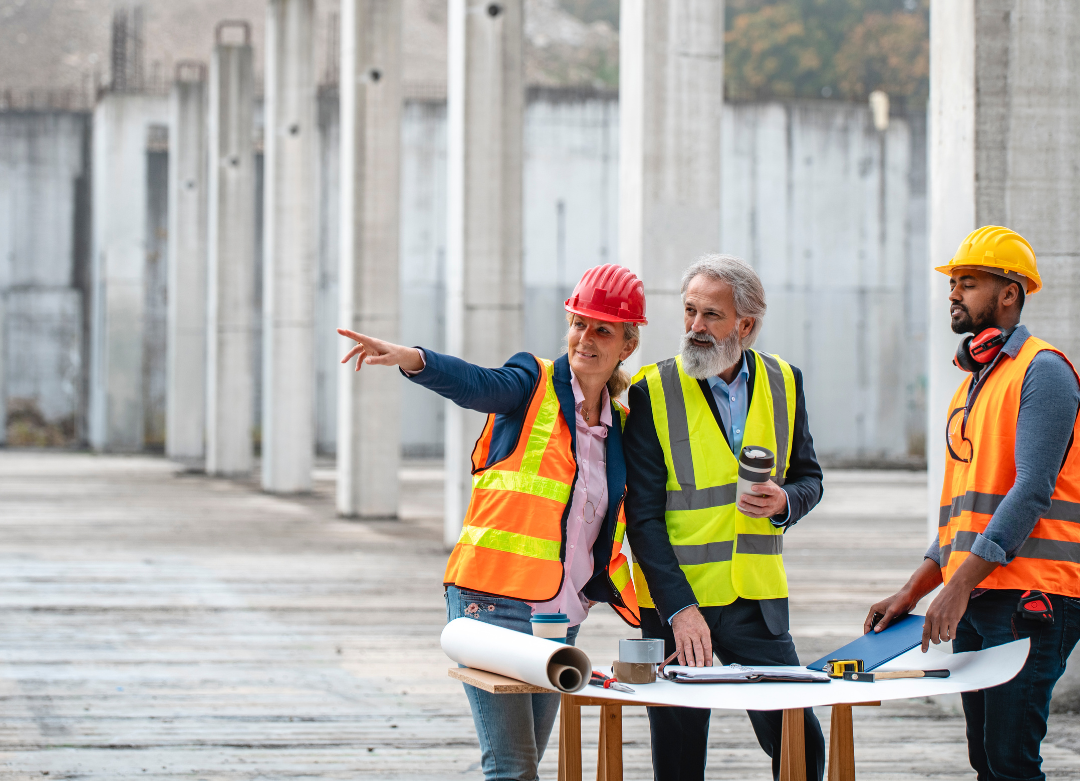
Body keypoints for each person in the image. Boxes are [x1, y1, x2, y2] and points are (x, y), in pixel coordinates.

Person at [338, 263, 647, 781]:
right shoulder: (532, 384)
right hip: (492, 601)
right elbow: (478, 384)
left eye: (603, 330)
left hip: (561, 614)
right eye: (579, 323)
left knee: (528, 761)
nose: (586, 338)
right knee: (512, 767)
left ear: (627, 345)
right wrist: (415, 360)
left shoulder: (622, 426)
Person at [866, 226, 1080, 781]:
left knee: (1011, 762)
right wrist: (914, 590)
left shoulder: (1044, 372)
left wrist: (956, 587)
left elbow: (1032, 490)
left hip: (1033, 596)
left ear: (1009, 293)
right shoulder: (972, 385)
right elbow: (962, 516)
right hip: (980, 596)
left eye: (968, 282)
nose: (953, 293)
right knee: (986, 760)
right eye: (952, 283)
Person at [623, 253, 826, 781]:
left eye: (711, 315)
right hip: (678, 605)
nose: (695, 326)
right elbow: (642, 519)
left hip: (756, 603)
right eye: (689, 310)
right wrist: (679, 610)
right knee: (679, 759)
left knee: (801, 745)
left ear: (746, 326)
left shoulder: (785, 382)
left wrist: (785, 502)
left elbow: (809, 478)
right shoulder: (651, 390)